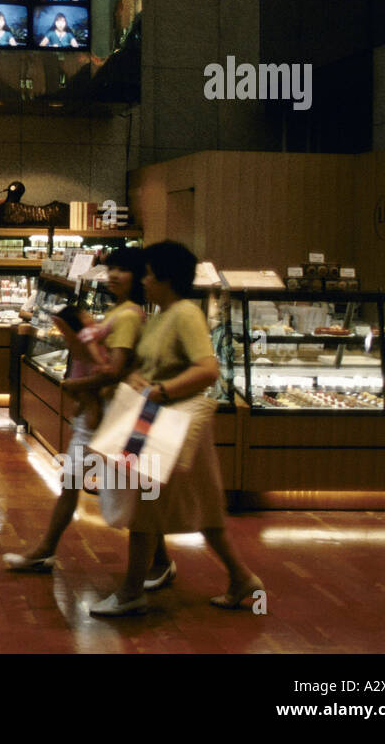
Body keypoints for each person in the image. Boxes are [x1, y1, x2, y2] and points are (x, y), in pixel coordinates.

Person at [89, 241, 264, 616]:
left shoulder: (185, 313)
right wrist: (139, 377)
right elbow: (151, 364)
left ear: (167, 278)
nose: (145, 281)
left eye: (150, 274)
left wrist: (159, 389)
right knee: (203, 510)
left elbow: (206, 369)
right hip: (156, 420)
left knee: (146, 510)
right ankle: (241, 577)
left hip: (165, 421)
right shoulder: (162, 313)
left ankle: (131, 592)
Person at [5, 248, 163, 573]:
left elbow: (115, 369)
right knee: (75, 481)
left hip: (111, 416)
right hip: (100, 413)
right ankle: (46, 549)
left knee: (128, 494)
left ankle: (156, 566)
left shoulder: (130, 315)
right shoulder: (121, 311)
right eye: (112, 269)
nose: (115, 275)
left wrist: (76, 386)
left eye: (123, 270)